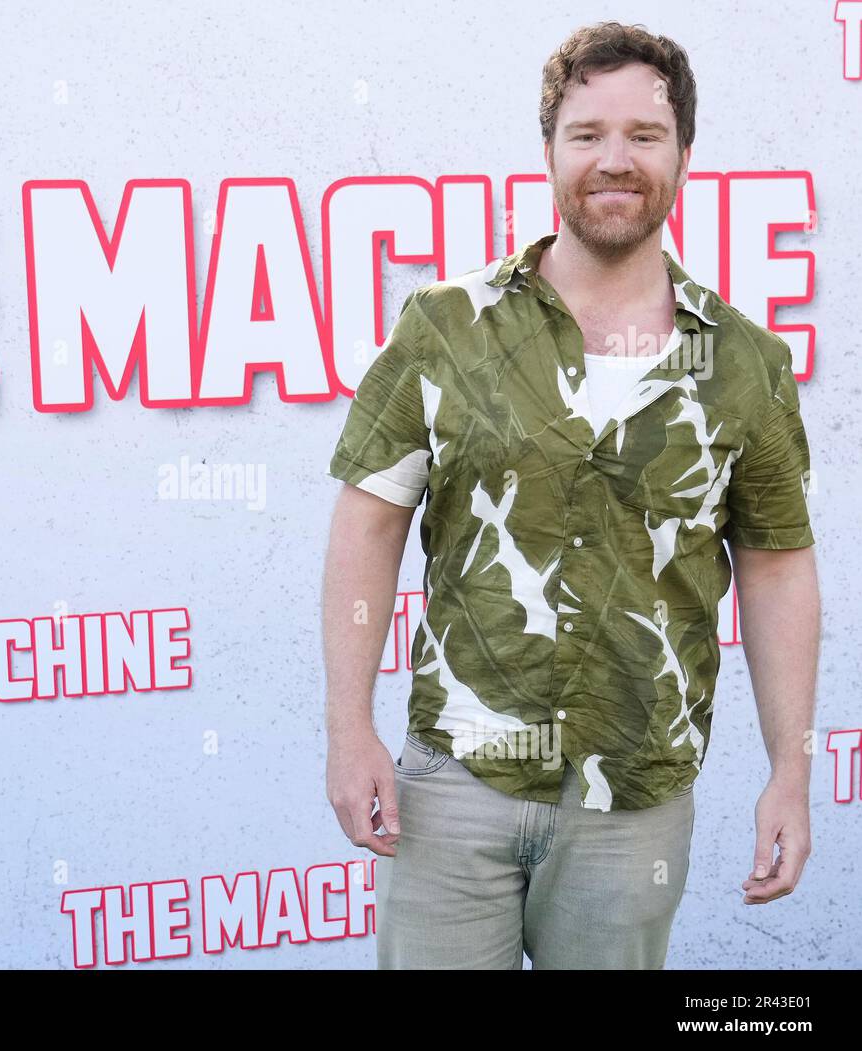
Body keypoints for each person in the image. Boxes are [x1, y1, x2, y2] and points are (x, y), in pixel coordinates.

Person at [321, 20, 820, 970]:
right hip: (454, 790)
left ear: (684, 155)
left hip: (634, 806)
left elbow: (778, 572)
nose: (615, 160)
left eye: (644, 134)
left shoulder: (745, 363)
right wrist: (350, 734)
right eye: (587, 134)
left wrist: (788, 773)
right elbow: (369, 520)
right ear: (549, 151)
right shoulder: (447, 326)